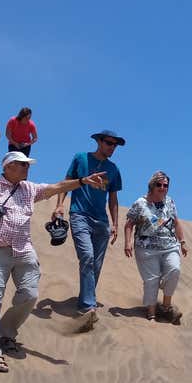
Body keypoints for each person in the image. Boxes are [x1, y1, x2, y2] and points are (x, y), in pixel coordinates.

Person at [0, 151, 105, 373]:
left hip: (24, 251)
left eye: (27, 165)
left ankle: (6, 333)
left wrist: (82, 181)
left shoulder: (28, 189)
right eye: (22, 165)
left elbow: (57, 187)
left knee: (30, 295)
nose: (27, 168)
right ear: (8, 166)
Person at [53, 130, 125, 321]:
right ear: (99, 142)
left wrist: (115, 224)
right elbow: (66, 182)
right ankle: (88, 306)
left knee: (96, 265)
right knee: (87, 256)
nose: (112, 147)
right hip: (79, 215)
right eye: (109, 143)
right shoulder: (81, 158)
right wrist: (59, 204)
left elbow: (113, 199)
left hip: (102, 222)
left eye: (115, 145)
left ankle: (85, 300)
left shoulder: (113, 169)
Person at [123, 171, 187, 323]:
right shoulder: (140, 203)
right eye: (159, 184)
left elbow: (176, 222)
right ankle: (151, 314)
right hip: (146, 248)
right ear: (152, 185)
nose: (163, 188)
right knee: (152, 280)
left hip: (169, 245)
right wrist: (127, 243)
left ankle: (166, 306)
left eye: (166, 185)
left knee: (174, 270)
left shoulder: (170, 202)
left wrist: (183, 241)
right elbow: (129, 224)